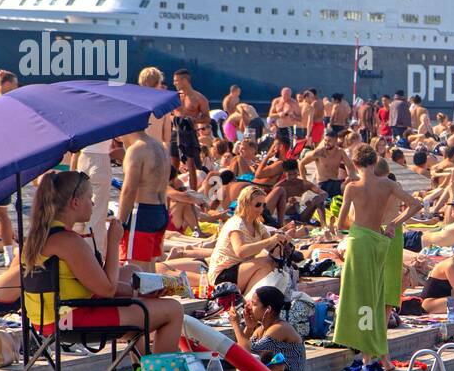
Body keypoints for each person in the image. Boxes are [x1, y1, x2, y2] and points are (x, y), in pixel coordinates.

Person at [20, 170, 185, 353]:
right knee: (173, 309)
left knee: (132, 271)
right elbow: (107, 289)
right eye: (89, 197)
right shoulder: (68, 241)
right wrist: (113, 243)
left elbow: (95, 283)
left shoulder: (40, 235)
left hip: (50, 317)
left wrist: (139, 290)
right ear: (75, 202)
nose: (92, 203)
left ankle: (142, 369)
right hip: (70, 320)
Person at [334, 144, 422, 371]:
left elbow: (340, 223)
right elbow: (416, 204)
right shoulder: (388, 184)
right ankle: (373, 355)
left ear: (355, 164)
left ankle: (365, 356)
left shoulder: (352, 187)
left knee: (358, 299)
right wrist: (394, 223)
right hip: (378, 241)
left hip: (358, 240)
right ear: (375, 162)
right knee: (375, 297)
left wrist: (355, 227)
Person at [206, 184, 289, 295]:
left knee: (271, 262)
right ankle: (248, 298)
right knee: (265, 263)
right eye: (258, 205)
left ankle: (253, 297)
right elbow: (240, 251)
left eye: (263, 205)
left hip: (239, 271)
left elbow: (270, 247)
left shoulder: (258, 225)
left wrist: (282, 241)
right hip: (222, 276)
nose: (261, 209)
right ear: (245, 204)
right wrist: (270, 240)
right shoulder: (236, 223)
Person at [229, 285, 305, 371]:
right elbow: (241, 352)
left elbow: (247, 353)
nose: (249, 308)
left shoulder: (280, 328)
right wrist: (249, 328)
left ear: (268, 309)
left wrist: (235, 324)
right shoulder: (261, 329)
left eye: (254, 304)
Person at [116, 124, 172, 272]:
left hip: (141, 212)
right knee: (150, 270)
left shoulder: (136, 150)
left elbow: (129, 189)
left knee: (136, 272)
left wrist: (119, 223)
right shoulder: (161, 147)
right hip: (160, 210)